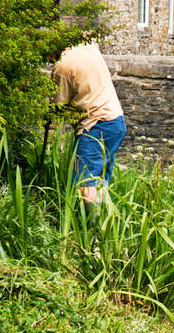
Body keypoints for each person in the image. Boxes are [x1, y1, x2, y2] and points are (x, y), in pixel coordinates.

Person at [53, 40, 128, 207]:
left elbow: (59, 107)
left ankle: (91, 230)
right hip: (116, 121)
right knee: (99, 182)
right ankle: (106, 226)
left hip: (96, 125)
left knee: (85, 185)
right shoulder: (87, 45)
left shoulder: (62, 67)